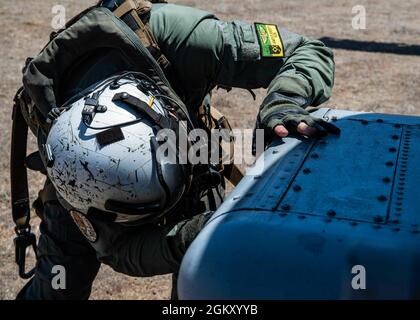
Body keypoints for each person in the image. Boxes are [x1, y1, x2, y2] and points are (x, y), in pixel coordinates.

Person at [14, 0, 339, 300]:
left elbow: (307, 51)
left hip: (189, 149)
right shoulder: (76, 179)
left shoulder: (183, 39)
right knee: (57, 288)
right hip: (91, 178)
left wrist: (282, 104)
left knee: (208, 272)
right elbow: (122, 251)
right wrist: (189, 236)